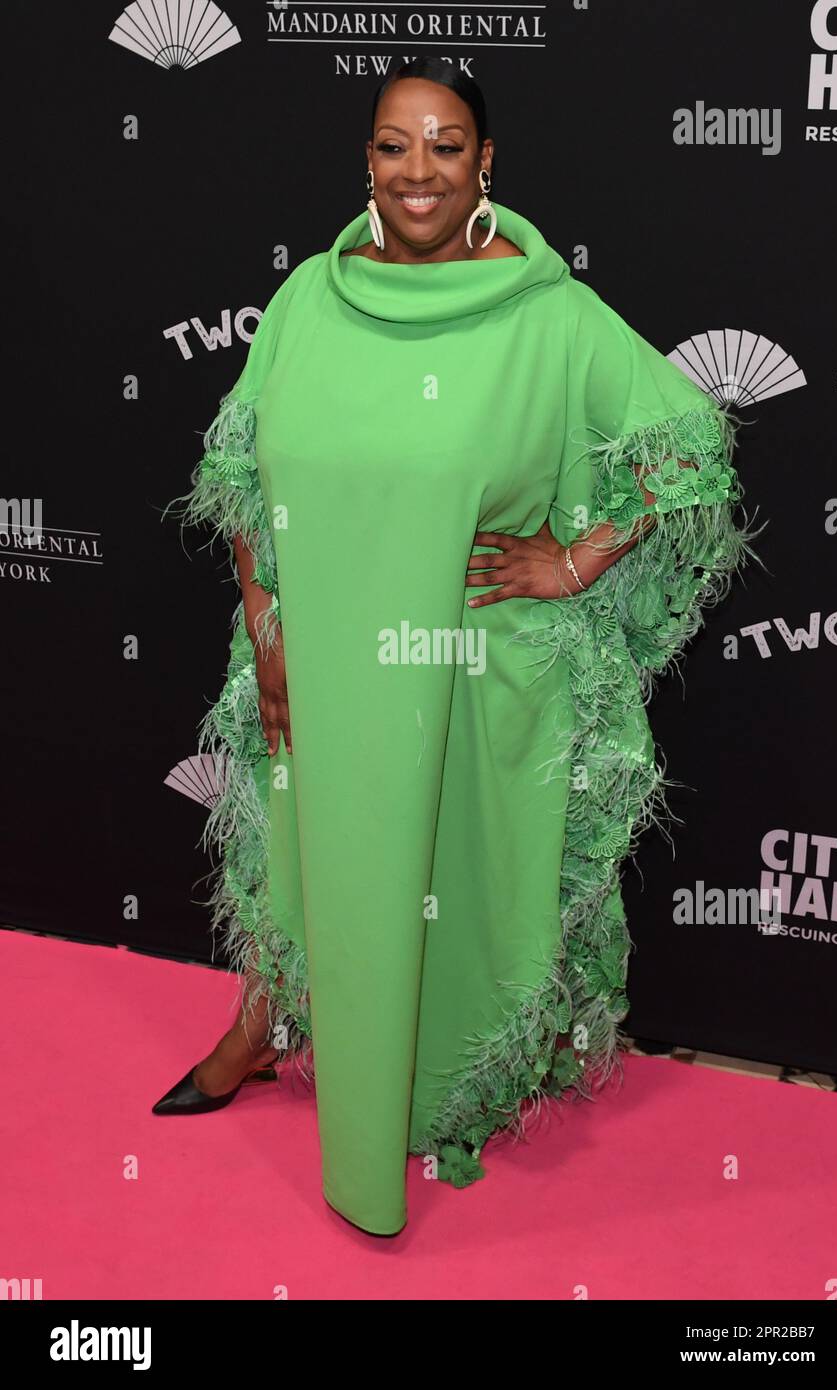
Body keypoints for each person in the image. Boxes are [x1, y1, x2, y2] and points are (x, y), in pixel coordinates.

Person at [156, 57, 761, 1236]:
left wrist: (577, 559)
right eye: (393, 145)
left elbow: (688, 443)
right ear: (366, 163)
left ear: (487, 164)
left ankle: (424, 1089)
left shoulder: (546, 313)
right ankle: (263, 1027)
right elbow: (240, 475)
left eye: (445, 145)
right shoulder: (308, 303)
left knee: (449, 891)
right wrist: (268, 628)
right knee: (312, 855)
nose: (417, 170)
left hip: (470, 668)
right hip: (321, 665)